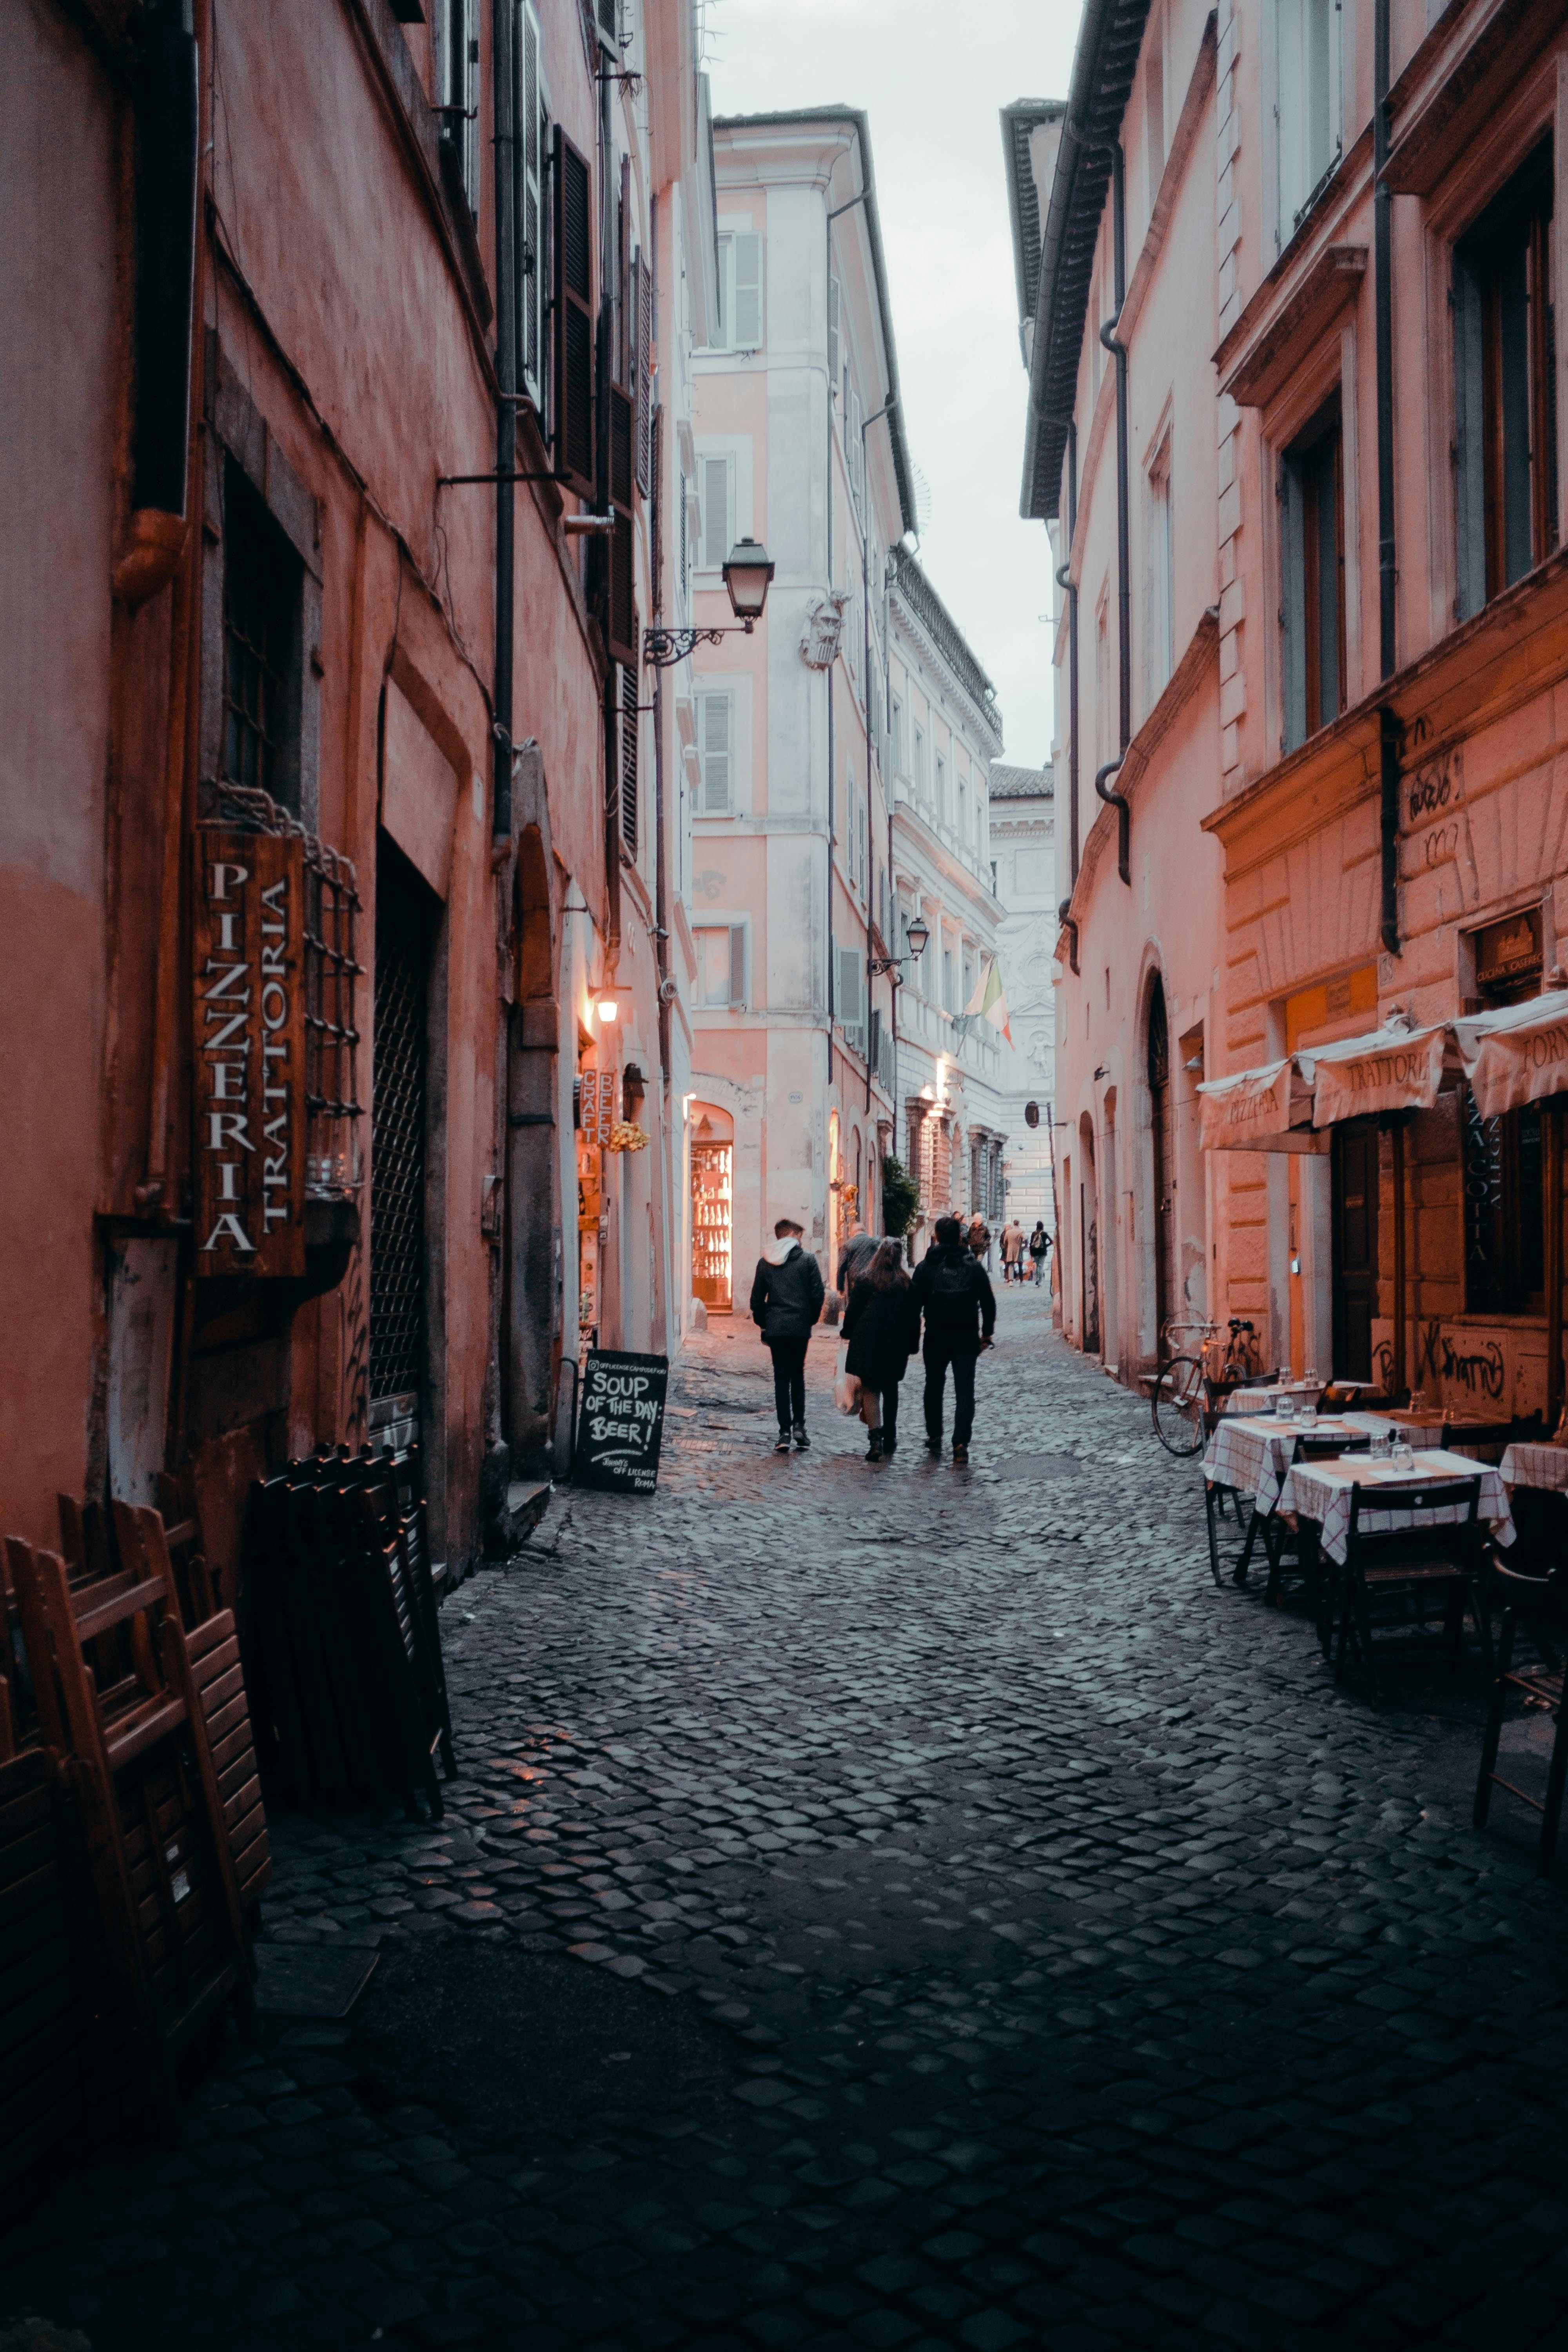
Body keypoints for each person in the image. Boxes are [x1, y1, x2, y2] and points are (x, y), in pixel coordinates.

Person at [909, 1212, 996, 1464]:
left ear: (936, 1237)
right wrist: (987, 1333)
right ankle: (960, 1444)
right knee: (965, 1391)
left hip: (936, 1336)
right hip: (966, 1336)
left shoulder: (925, 1268)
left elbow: (913, 1306)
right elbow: (988, 1303)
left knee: (934, 1386)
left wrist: (912, 1338)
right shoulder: (973, 1266)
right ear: (960, 1236)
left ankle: (935, 1435)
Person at [749, 1215, 825, 1452]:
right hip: (799, 1328)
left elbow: (756, 1300)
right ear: (792, 1236)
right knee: (797, 1376)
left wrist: (764, 1324)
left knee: (781, 1379)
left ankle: (784, 1432)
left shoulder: (766, 1263)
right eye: (800, 1237)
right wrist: (809, 1319)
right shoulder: (808, 1261)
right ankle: (799, 1426)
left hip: (777, 1328)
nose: (801, 1242)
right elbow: (818, 1296)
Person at [841, 1240, 917, 1463]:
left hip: (868, 1341)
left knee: (870, 1390)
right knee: (891, 1390)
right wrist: (913, 1344)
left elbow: (853, 1311)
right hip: (896, 1344)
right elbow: (913, 1319)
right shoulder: (905, 1284)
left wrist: (847, 1333)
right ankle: (890, 1436)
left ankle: (875, 1442)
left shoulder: (865, 1280)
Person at [836, 1219, 879, 1299]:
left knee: (855, 1307)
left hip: (855, 1283)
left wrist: (840, 1288)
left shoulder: (847, 1245)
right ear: (865, 1231)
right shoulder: (874, 1242)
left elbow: (841, 1268)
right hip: (872, 1282)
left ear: (853, 1233)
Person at [1000, 1218, 1025, 1284]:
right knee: (1020, 1265)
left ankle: (1011, 1281)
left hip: (1010, 1250)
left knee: (1011, 1265)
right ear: (1018, 1224)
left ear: (1013, 1224)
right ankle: (1021, 1281)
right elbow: (1025, 1239)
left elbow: (1005, 1241)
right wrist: (1023, 1246)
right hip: (1018, 1250)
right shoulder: (1021, 1231)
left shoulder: (1009, 1232)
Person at [1029, 1220, 1051, 1285]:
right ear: (1042, 1226)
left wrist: (1031, 1253)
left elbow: (1031, 1244)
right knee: (1041, 1266)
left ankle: (1038, 1279)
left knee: (1037, 1266)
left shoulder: (1034, 1234)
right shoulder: (1045, 1234)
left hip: (1035, 1252)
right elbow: (1051, 1242)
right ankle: (1040, 1281)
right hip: (1043, 1252)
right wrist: (1046, 1246)